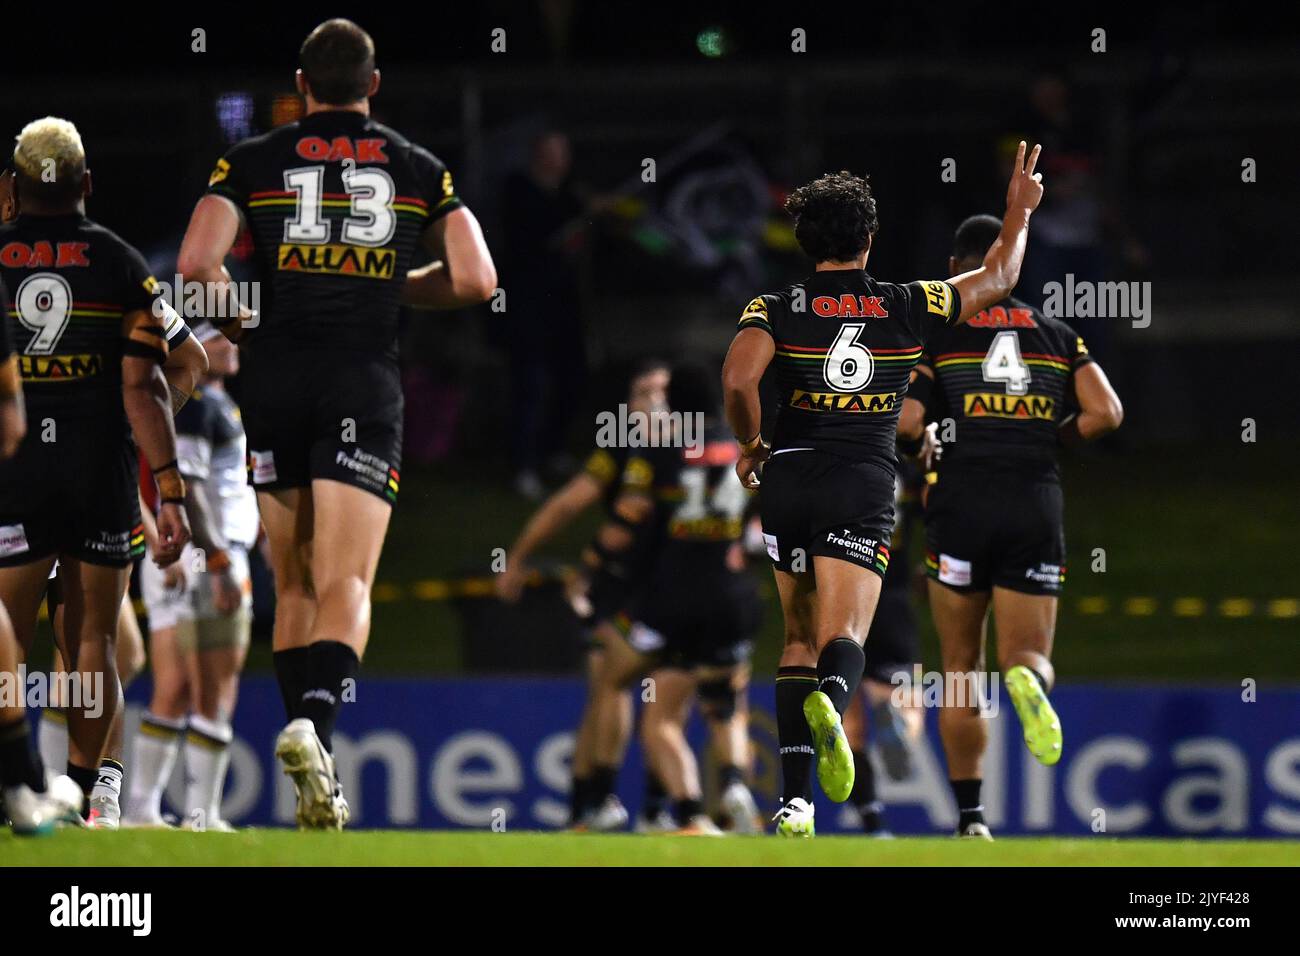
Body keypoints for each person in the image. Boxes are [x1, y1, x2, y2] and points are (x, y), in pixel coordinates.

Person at [177, 19, 495, 828]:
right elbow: (475, 277)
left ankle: (303, 753)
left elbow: (193, 265)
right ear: (373, 85)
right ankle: (312, 728)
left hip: (277, 377)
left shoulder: (252, 160)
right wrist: (395, 286)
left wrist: (245, 322)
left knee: (296, 580)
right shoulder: (418, 164)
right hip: (362, 378)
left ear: (302, 83)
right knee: (349, 583)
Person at [721, 143, 1045, 837]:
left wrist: (751, 442)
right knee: (847, 635)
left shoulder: (772, 305)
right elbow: (998, 276)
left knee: (796, 640)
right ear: (870, 239)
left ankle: (796, 802)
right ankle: (834, 705)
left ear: (806, 242)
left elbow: (738, 383)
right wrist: (1018, 212)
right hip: (861, 481)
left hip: (788, 478)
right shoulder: (909, 303)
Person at [898, 213, 1123, 839]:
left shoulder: (940, 334)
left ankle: (970, 819)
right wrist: (1057, 437)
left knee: (961, 665)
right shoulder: (1057, 333)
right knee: (1026, 655)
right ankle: (1027, 679)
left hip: (960, 502)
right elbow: (1107, 412)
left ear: (956, 270)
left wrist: (924, 445)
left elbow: (908, 424)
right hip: (1033, 499)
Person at [0, 116, 191, 821]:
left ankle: (16, 782)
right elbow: (182, 365)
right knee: (94, 640)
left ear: (12, 189)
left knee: (8, 637)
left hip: (14, 468)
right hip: (99, 470)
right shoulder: (118, 261)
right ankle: (86, 796)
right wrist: (152, 452)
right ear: (87, 184)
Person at [588, 363, 763, 835]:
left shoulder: (662, 449)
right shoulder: (741, 445)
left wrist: (593, 559)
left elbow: (630, 516)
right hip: (732, 598)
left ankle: (684, 812)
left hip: (673, 599)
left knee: (657, 711)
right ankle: (733, 784)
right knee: (726, 700)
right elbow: (761, 524)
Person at [496, 360, 669, 830]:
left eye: (660, 392)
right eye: (641, 392)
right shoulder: (620, 448)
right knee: (606, 687)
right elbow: (565, 504)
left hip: (676, 589)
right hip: (620, 589)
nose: (650, 402)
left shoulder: (698, 447)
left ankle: (654, 808)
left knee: (667, 698)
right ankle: (592, 805)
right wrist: (519, 556)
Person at [127, 324, 259, 830]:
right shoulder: (202, 406)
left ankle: (141, 806)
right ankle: (204, 813)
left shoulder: (198, 404)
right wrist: (220, 563)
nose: (233, 345)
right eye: (220, 338)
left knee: (175, 687)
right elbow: (194, 491)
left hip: (181, 558)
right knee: (215, 690)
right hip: (206, 556)